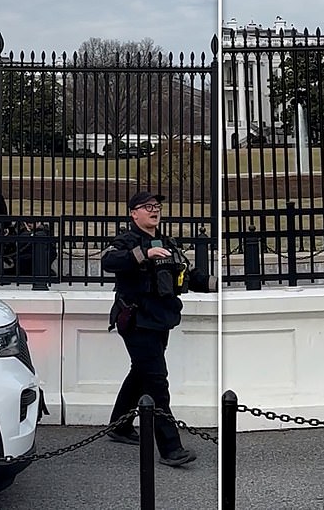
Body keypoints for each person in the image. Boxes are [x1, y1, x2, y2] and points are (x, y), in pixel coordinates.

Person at [101, 191, 217, 467]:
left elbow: (186, 274)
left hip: (160, 319)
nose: (154, 210)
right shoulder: (126, 241)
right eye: (147, 206)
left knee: (141, 373)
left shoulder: (167, 242)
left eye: (157, 206)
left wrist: (216, 284)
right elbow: (109, 262)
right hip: (136, 321)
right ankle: (170, 448)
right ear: (134, 213)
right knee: (156, 383)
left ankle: (119, 426)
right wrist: (142, 253)